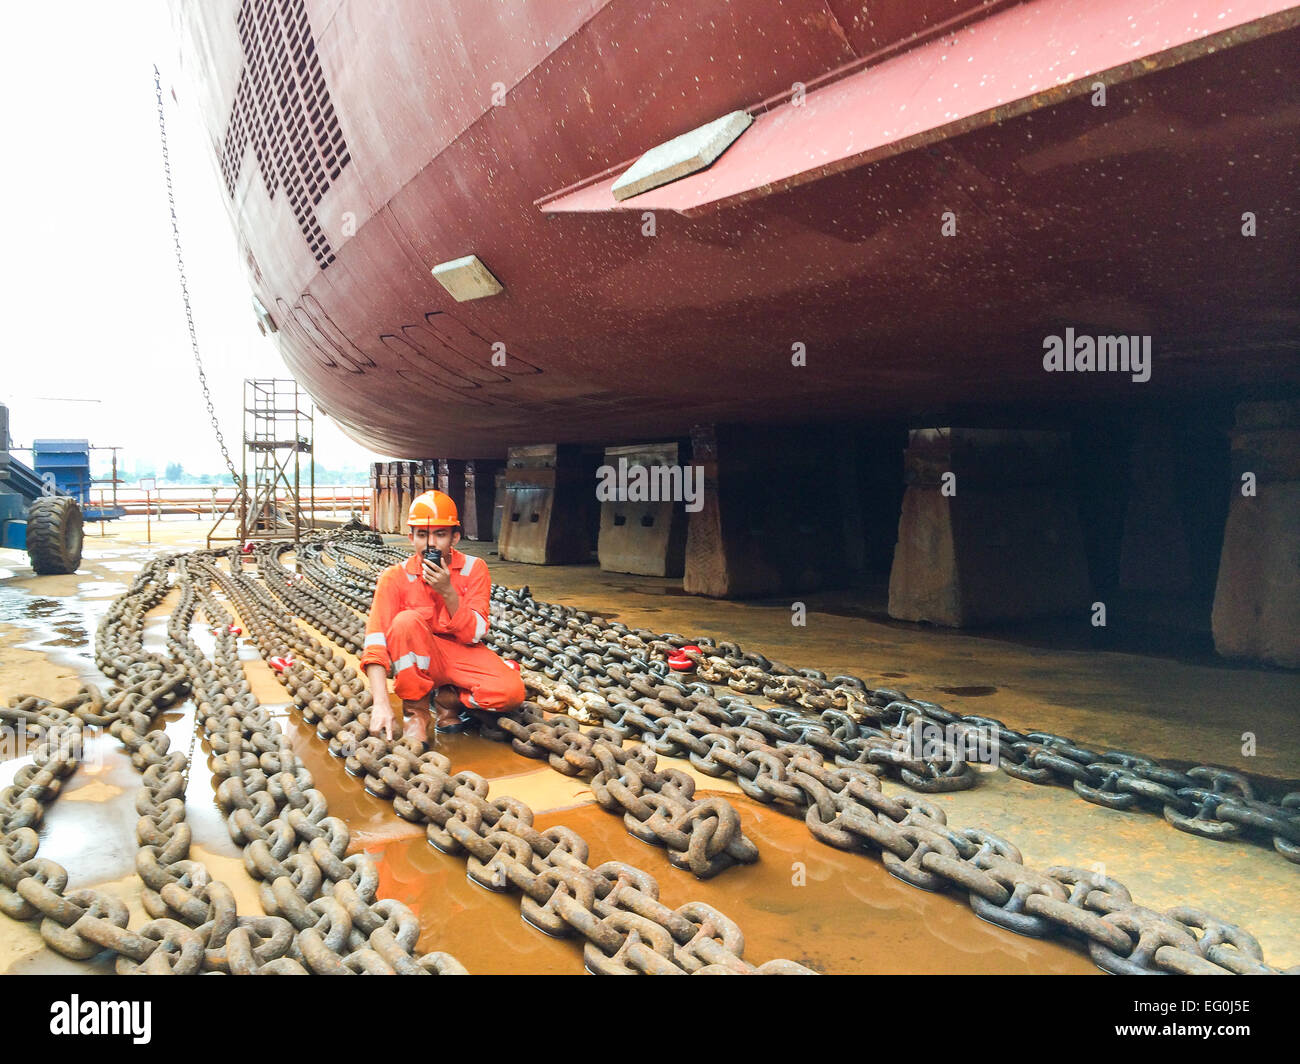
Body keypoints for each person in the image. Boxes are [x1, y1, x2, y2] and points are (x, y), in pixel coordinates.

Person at [360, 489, 525, 744]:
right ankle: (416, 713)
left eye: (440, 534)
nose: (431, 545)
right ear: (411, 537)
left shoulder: (474, 569)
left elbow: (476, 633)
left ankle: (449, 698)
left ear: (455, 537)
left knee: (510, 693)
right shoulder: (394, 577)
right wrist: (381, 704)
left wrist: (447, 591)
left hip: (462, 652)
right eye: (423, 535)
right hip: (421, 657)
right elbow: (376, 643)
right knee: (405, 622)